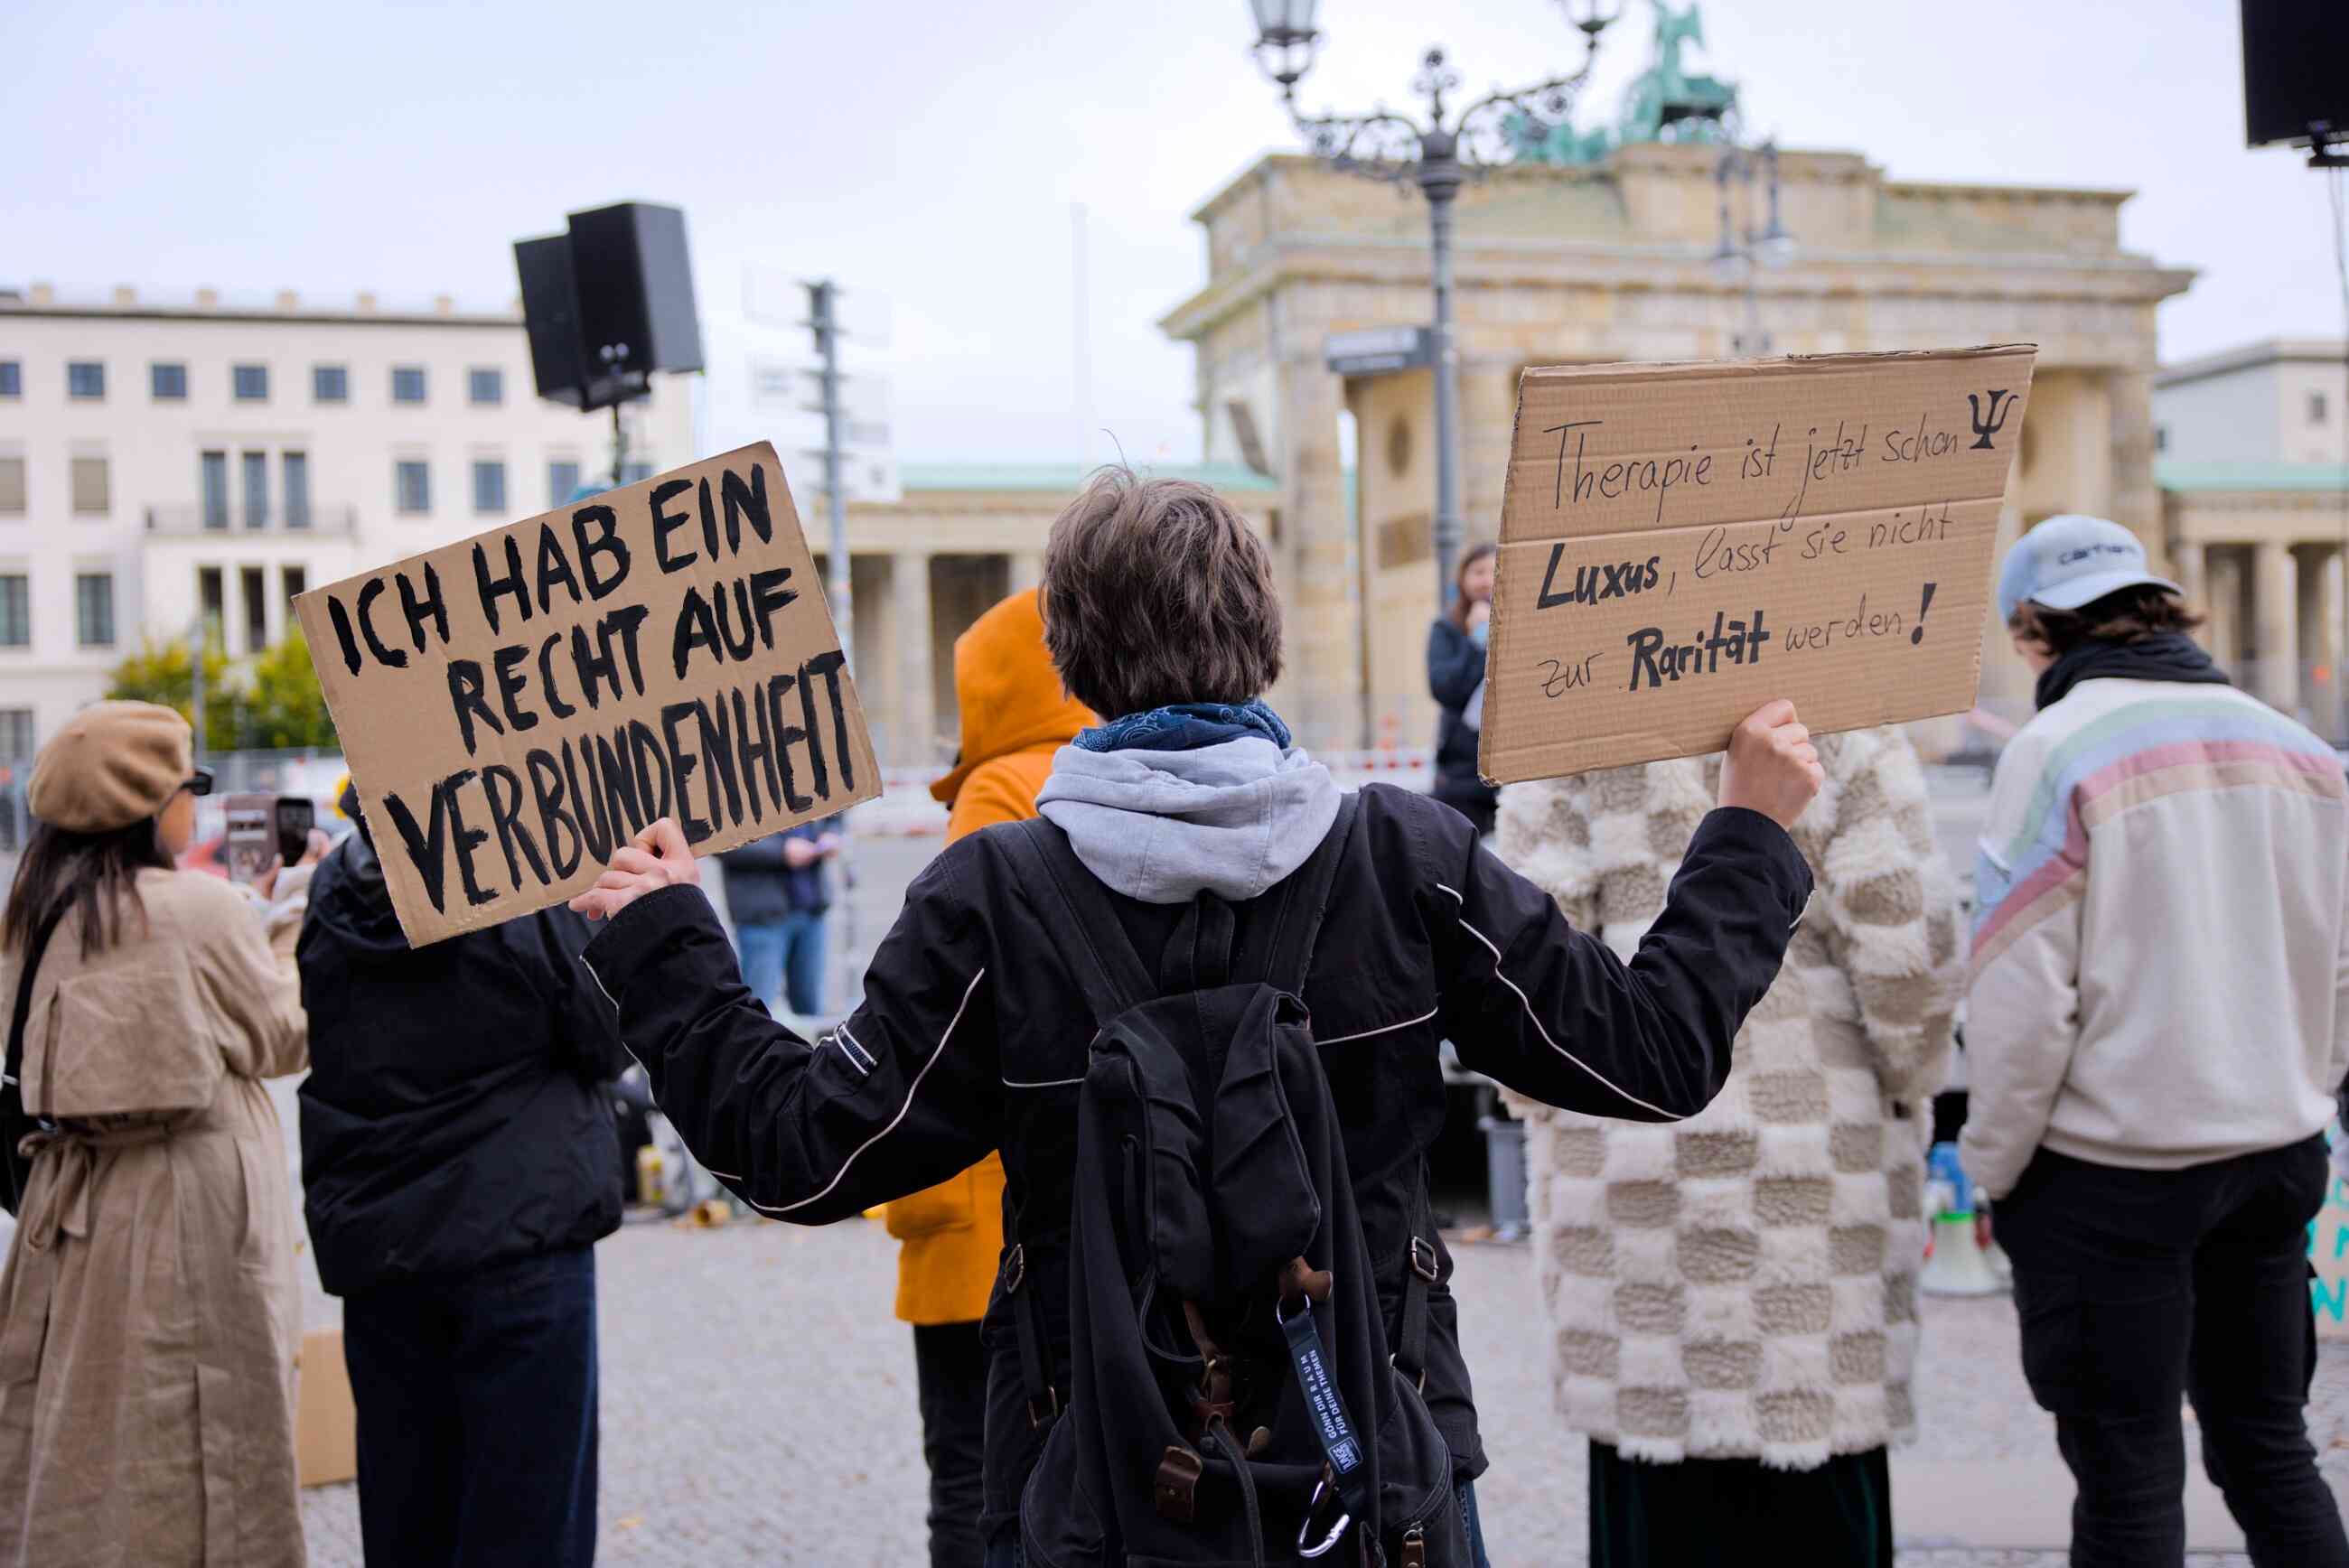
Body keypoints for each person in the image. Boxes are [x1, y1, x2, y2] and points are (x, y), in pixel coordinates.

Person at [566, 470, 1824, 1566]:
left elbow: (803, 1151)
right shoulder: (1408, 864)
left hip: (1097, 1479)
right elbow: (1654, 1054)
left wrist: (670, 939)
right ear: (1264, 641)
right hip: (1373, 1466)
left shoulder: (993, 897)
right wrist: (1751, 830)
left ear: (1070, 661)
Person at [1966, 513, 2349, 1568]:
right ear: (2158, 606)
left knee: (2128, 1473)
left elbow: (2017, 1001)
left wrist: (1997, 1170)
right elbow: (2338, 973)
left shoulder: (2053, 750)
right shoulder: (2297, 744)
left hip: (2112, 1173)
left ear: (2033, 629)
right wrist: (2296, 1088)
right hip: (2273, 1152)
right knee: (2271, 1447)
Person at [1496, 727, 1961, 1567]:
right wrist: (1908, 1080)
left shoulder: (1576, 719)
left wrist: (1540, 1100)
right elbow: (1910, 955)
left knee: (1657, 1516)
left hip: (1633, 1191)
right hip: (1815, 1205)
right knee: (1822, 1511)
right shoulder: (1844, 715)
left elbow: (1525, 980)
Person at [0, 702, 317, 1567]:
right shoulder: (195, 909)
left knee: (87, 1421)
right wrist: (287, 924)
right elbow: (281, 1034)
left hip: (70, 1211)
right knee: (211, 1418)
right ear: (151, 804)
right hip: (194, 1202)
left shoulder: (30, 912)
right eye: (193, 788)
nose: (197, 807)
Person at [297, 779, 627, 1568]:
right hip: (517, 1246)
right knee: (529, 1523)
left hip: (383, 1251)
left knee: (409, 1519)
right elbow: (607, 1039)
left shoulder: (336, 886)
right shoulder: (523, 883)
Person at [890, 586, 1096, 1568]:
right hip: (1056, 1194)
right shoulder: (1093, 767)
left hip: (976, 1205)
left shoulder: (996, 788)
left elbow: (948, 994)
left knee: (970, 1475)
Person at [719, 817, 840, 1016]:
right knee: (757, 1013)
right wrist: (781, 851)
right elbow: (720, 841)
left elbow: (835, 813)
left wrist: (832, 834)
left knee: (811, 1010)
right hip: (762, 915)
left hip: (811, 909)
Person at [1427, 542, 1500, 835]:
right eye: (1478, 571)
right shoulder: (1446, 629)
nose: (1485, 580)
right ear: (1463, 579)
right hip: (1462, 771)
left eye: (1493, 571)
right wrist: (1476, 641)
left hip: (1508, 770)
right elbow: (1446, 689)